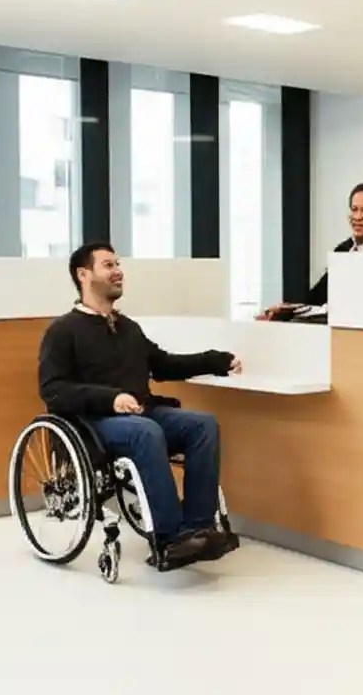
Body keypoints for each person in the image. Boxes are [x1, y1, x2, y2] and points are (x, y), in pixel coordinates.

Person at [38, 242, 243, 565]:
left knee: (202, 425)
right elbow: (53, 389)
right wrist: (111, 398)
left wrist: (217, 361)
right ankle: (169, 537)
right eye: (108, 265)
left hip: (142, 413)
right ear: (83, 274)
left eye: (118, 264)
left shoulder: (127, 328)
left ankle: (200, 529)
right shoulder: (63, 331)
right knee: (145, 432)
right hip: (94, 423)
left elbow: (162, 364)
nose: (118, 270)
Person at [258, 182, 363, 319]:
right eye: (354, 209)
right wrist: (285, 310)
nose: (357, 217)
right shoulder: (342, 251)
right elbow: (315, 298)